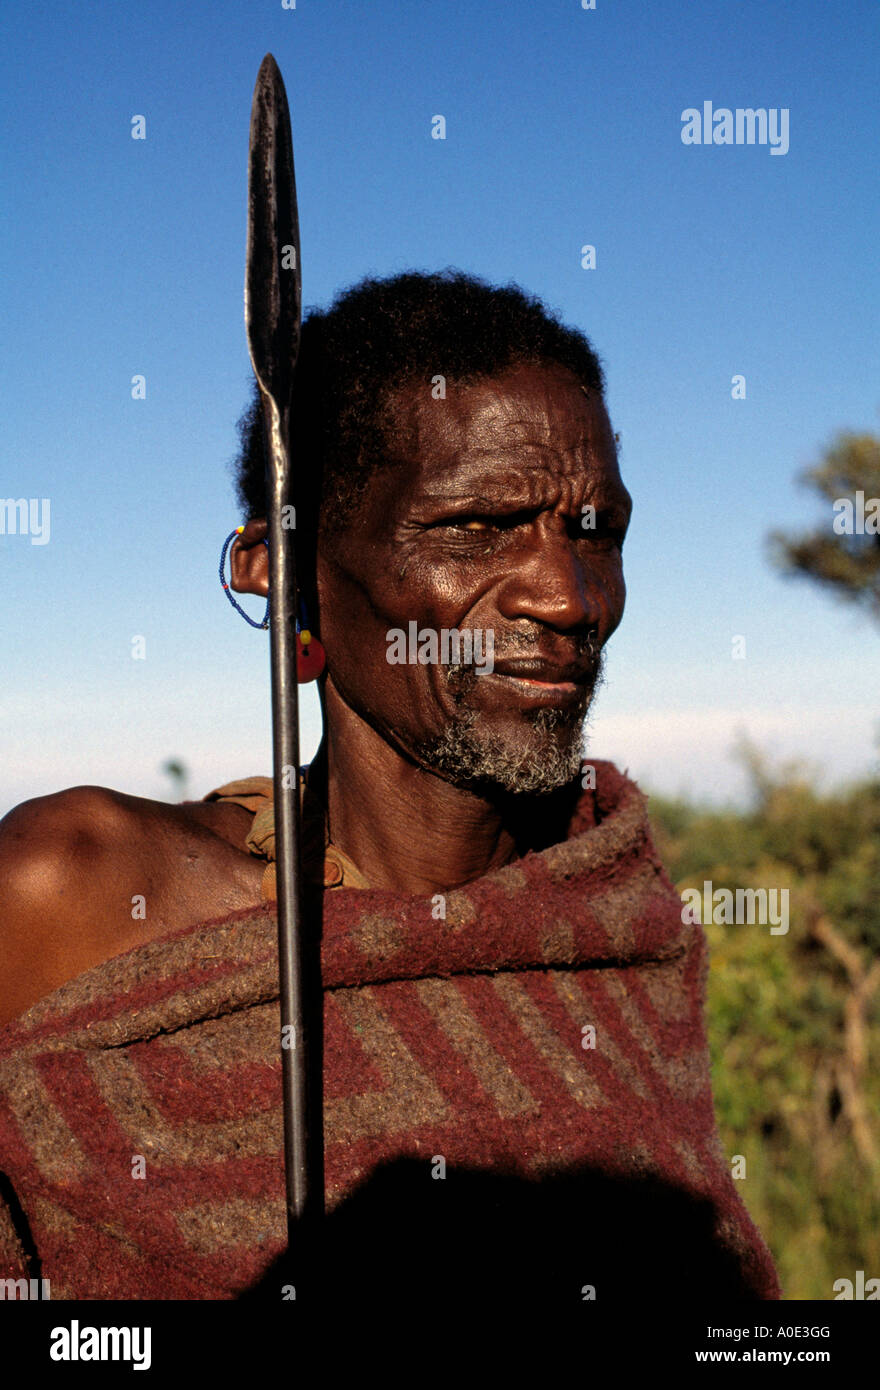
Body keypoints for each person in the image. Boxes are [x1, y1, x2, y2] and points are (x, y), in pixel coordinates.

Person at [0, 271, 781, 1302]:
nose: (569, 596)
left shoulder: (608, 905)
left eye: (593, 529)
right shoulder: (76, 893)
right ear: (282, 568)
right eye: (476, 526)